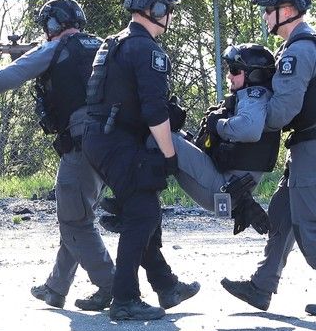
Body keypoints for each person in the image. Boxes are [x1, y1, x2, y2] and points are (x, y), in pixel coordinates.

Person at [221, 0, 316, 315]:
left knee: (310, 224)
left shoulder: (298, 52)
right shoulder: (302, 44)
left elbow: (282, 112)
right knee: (283, 214)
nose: (266, 17)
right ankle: (262, 286)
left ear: (286, 11)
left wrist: (247, 112)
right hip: (315, 141)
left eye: (269, 10)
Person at [0, 0, 116, 312]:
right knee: (77, 213)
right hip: (110, 142)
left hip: (80, 142)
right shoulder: (102, 46)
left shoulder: (55, 49)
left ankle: (113, 286)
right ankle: (56, 287)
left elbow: (2, 79)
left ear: (53, 25)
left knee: (74, 220)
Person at [81, 0, 200, 321]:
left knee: (143, 209)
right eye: (169, 10)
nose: (171, 17)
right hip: (118, 142)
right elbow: (154, 110)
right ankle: (125, 299)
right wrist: (170, 156)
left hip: (102, 139)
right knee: (143, 214)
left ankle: (166, 285)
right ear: (156, 9)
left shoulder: (115, 43)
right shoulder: (147, 50)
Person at [98, 43, 279, 236]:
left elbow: (249, 130)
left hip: (222, 188)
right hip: (223, 182)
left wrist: (218, 124)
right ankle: (134, 209)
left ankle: (135, 213)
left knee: (160, 139)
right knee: (168, 137)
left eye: (235, 70)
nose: (229, 75)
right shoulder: (246, 97)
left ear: (255, 75)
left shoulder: (254, 96)